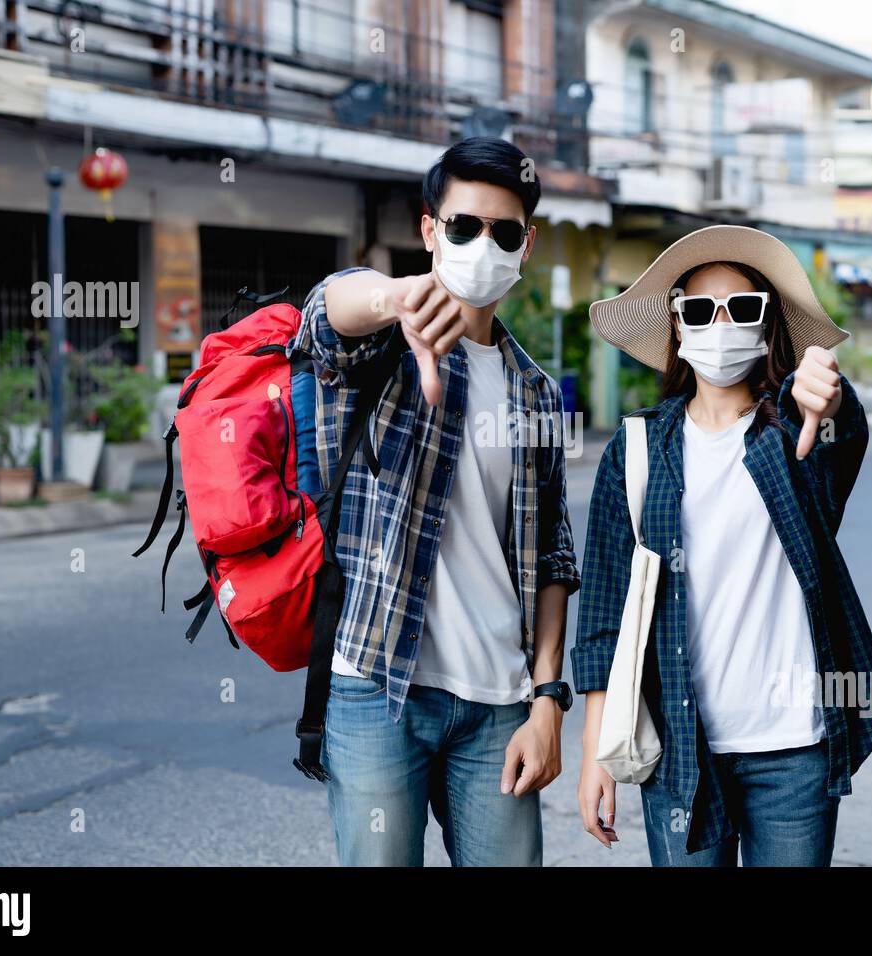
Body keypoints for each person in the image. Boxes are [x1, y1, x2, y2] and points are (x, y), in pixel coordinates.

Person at [292, 137, 579, 866]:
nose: (484, 245)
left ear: (526, 246)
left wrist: (548, 698)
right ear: (429, 230)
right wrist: (394, 300)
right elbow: (323, 315)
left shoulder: (535, 390)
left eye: (504, 232)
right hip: (378, 689)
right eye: (463, 226)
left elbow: (552, 551)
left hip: (500, 705)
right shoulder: (381, 348)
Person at [573, 225, 872, 866]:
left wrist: (830, 397)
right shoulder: (637, 451)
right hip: (679, 749)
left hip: (794, 752)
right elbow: (605, 616)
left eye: (742, 307)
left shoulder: (793, 436)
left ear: (766, 323)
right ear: (678, 328)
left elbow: (840, 434)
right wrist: (595, 757)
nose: (721, 323)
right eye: (700, 309)